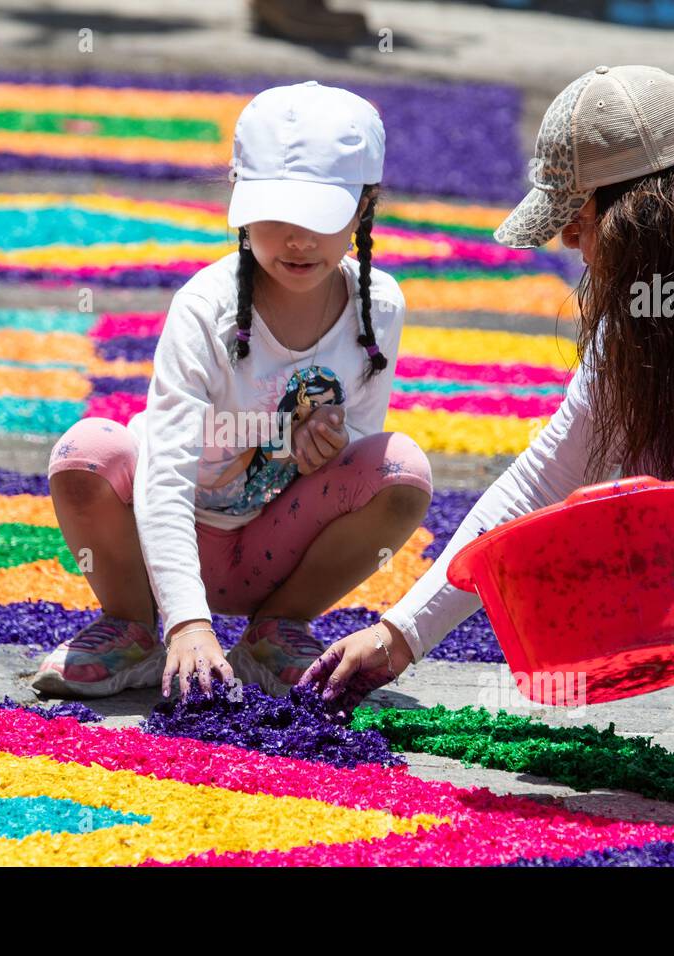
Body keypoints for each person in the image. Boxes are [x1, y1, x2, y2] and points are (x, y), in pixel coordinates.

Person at [301, 65, 674, 771]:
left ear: (646, 207)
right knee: (673, 478)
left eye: (578, 220)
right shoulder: (657, 300)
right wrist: (399, 637)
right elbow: (543, 478)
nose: (569, 246)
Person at [34, 81, 432, 700]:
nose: (298, 239)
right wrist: (188, 624)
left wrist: (331, 445)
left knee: (401, 469)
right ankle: (135, 627)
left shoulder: (377, 306)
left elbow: (362, 447)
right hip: (163, 539)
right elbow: (164, 470)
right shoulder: (203, 307)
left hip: (273, 545)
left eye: (321, 216)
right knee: (88, 453)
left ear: (364, 206)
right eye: (276, 215)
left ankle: (278, 631)